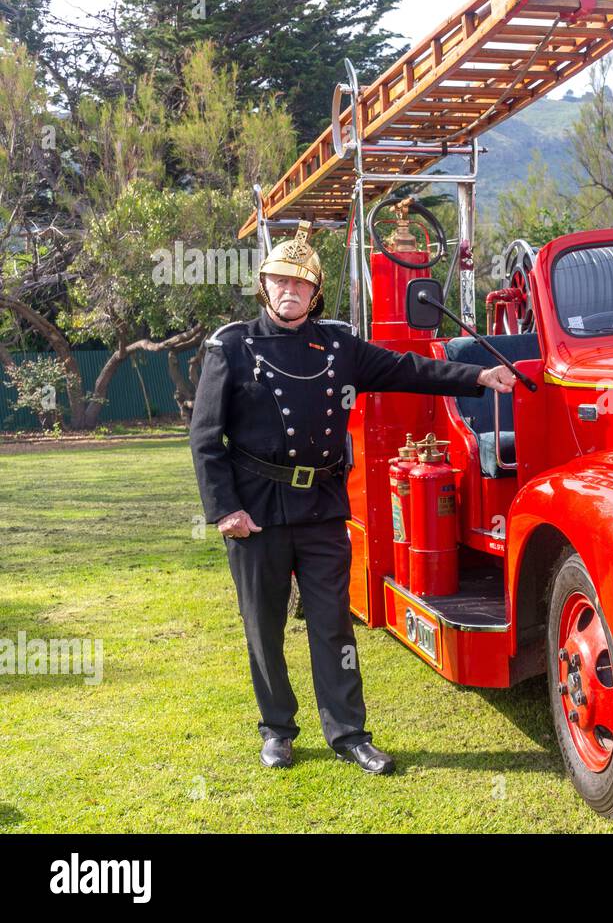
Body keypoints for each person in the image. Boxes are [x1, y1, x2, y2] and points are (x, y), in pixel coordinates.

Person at [190, 221, 516, 774]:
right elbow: (205, 437)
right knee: (263, 628)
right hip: (257, 510)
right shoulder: (232, 346)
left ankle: (348, 732)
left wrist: (479, 376)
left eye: (300, 285)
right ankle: (277, 730)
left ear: (315, 294)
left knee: (332, 625)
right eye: (279, 282)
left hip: (321, 507)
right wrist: (224, 509)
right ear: (264, 287)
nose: (288, 292)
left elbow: (408, 369)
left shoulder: (337, 345)